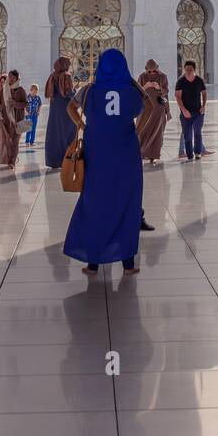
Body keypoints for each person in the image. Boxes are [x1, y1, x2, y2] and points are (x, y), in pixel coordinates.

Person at [63, 48, 144, 276]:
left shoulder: (90, 90)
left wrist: (83, 125)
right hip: (126, 153)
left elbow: (71, 107)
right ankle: (128, 263)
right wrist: (138, 130)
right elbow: (145, 107)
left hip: (97, 153)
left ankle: (93, 262)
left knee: (95, 203)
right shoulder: (130, 91)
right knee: (126, 202)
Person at [44, 56, 76, 170]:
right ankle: (67, 160)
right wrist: (77, 93)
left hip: (55, 107)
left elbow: (49, 92)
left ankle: (53, 161)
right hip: (66, 108)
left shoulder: (52, 76)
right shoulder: (66, 76)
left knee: (54, 133)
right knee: (68, 132)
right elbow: (68, 93)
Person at [136, 59, 169, 163]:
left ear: (157, 68)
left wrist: (158, 87)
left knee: (157, 133)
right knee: (142, 131)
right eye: (149, 71)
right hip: (145, 111)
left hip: (158, 110)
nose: (151, 73)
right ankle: (142, 153)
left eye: (154, 71)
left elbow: (166, 91)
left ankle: (153, 156)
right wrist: (145, 87)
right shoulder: (142, 77)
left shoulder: (163, 76)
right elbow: (136, 92)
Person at [175, 60, 206, 161]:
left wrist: (203, 106)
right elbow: (178, 97)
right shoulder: (180, 81)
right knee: (187, 135)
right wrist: (183, 110)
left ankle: (197, 152)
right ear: (184, 69)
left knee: (198, 133)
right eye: (186, 69)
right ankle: (189, 155)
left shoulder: (199, 80)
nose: (188, 71)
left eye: (190, 69)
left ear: (194, 70)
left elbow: (204, 93)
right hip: (186, 114)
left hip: (198, 112)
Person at [0, 69, 27, 169]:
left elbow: (26, 104)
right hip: (5, 120)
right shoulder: (3, 90)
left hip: (19, 120)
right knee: (6, 142)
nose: (10, 79)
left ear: (16, 78)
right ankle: (7, 160)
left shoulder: (21, 90)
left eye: (12, 77)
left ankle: (12, 162)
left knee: (15, 142)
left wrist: (15, 104)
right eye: (9, 76)